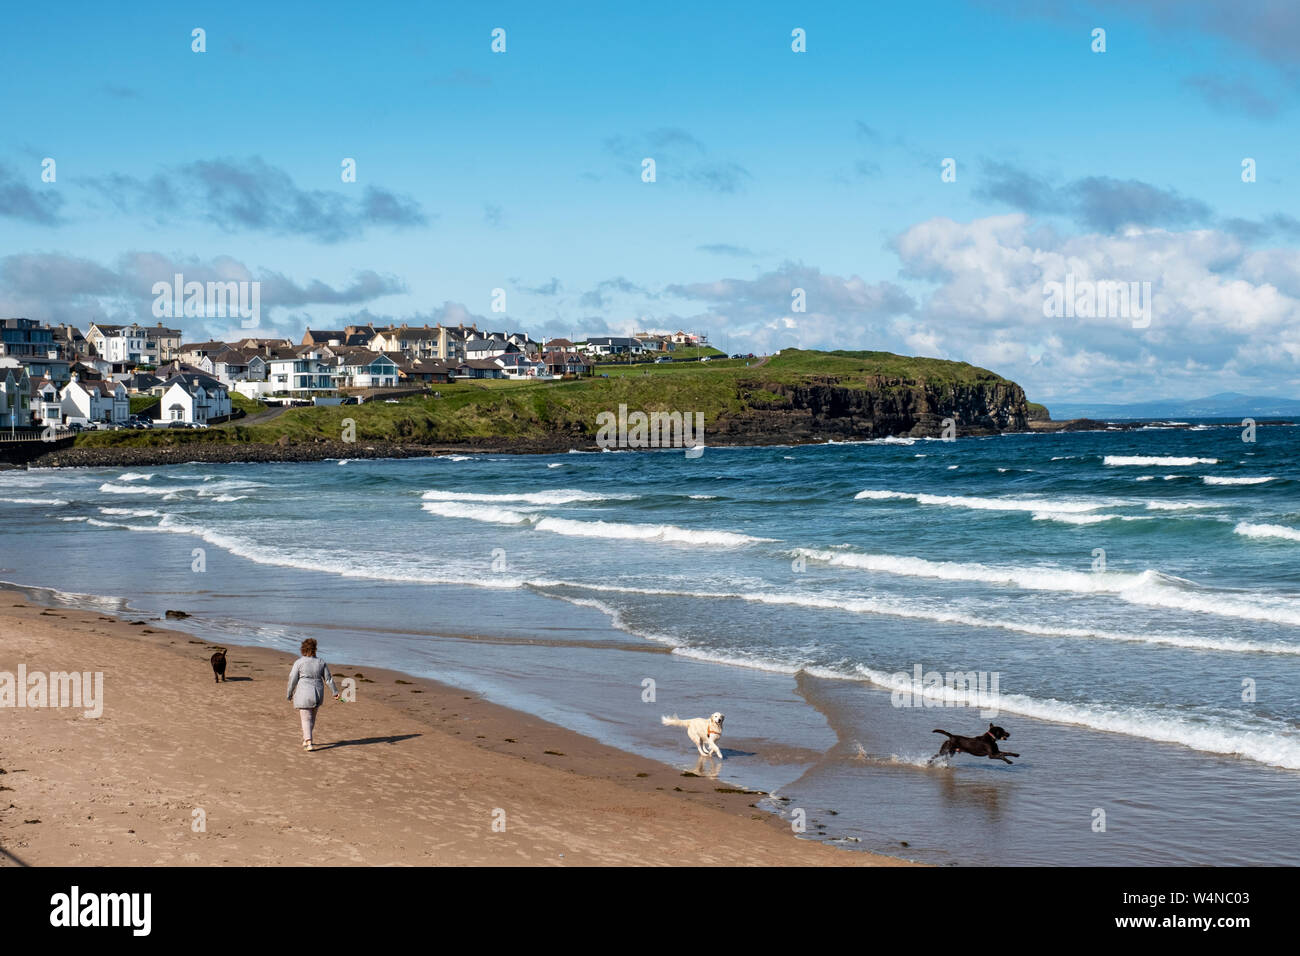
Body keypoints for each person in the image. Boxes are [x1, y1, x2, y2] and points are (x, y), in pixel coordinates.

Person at [286, 638, 340, 751]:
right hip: (317, 693)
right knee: (311, 719)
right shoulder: (321, 662)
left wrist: (289, 693)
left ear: (302, 649)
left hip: (303, 693)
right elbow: (328, 679)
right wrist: (335, 692)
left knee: (306, 719)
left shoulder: (299, 662)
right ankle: (306, 739)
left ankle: (309, 742)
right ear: (315, 649)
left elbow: (292, 679)